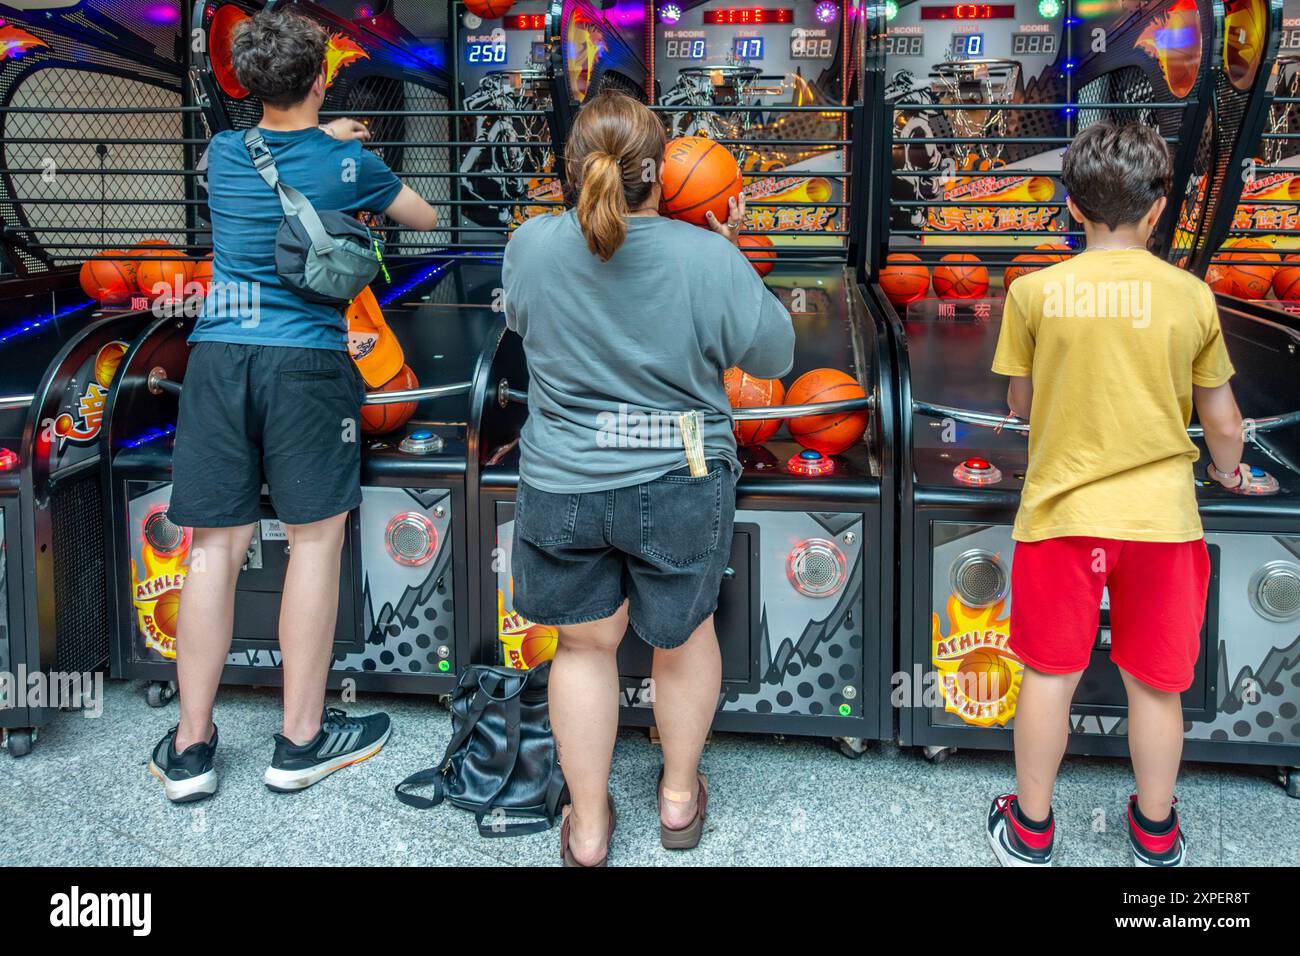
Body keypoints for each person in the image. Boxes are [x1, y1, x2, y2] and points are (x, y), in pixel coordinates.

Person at [148, 8, 440, 802]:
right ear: (322, 78)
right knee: (314, 543)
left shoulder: (219, 151)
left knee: (212, 547)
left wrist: (321, 144)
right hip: (307, 365)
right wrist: (352, 155)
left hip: (217, 360)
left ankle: (191, 747)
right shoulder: (348, 165)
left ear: (247, 83)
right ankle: (301, 741)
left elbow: (274, 154)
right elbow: (426, 217)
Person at [502, 91, 795, 866]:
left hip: (564, 483)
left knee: (583, 648)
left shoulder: (529, 246)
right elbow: (775, 358)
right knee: (682, 637)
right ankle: (675, 798)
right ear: (660, 173)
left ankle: (590, 828)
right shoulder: (707, 258)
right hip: (679, 479)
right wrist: (731, 251)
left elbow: (524, 323)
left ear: (569, 172)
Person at [985, 121, 1246, 866]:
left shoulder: (1033, 293)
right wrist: (1230, 473)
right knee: (1156, 685)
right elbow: (1222, 423)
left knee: (1048, 676)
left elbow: (1021, 405)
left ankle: (1030, 830)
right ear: (1157, 208)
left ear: (1071, 205)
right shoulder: (1191, 296)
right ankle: (1155, 834)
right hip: (1163, 521)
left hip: (1061, 516)